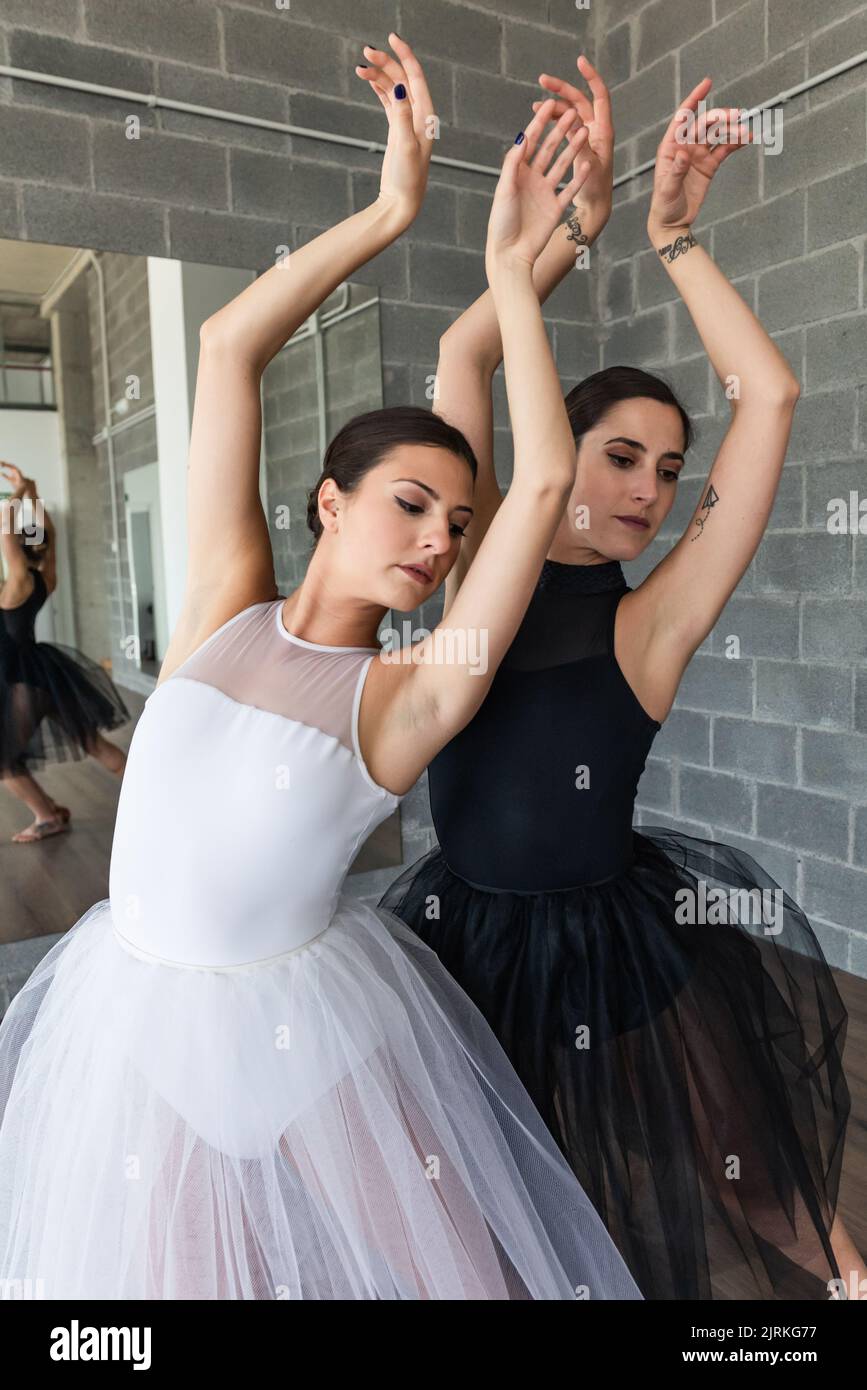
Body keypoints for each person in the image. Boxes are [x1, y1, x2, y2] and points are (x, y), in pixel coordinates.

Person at [0, 36, 642, 1300]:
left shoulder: (413, 690)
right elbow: (231, 346)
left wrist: (526, 267)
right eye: (411, 503)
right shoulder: (225, 606)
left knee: (460, 1280)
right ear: (329, 502)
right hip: (129, 1018)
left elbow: (551, 477)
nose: (436, 541)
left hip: (309, 1035)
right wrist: (395, 206)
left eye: (456, 525)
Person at [379, 67, 865, 1300]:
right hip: (461, 925)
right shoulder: (467, 557)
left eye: (668, 466)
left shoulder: (652, 622)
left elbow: (775, 397)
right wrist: (562, 232)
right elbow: (466, 349)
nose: (651, 489)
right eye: (623, 456)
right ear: (564, 452)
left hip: (607, 927)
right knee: (478, 1176)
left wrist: (674, 238)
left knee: (738, 1163)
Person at [0, 462, 128, 842]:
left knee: (5, 762)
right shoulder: (44, 577)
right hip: (44, 674)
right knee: (91, 741)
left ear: (18, 555)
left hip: (19, 678)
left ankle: (47, 817)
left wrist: (19, 495)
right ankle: (157, 789)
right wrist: (32, 492)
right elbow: (46, 535)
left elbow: (5, 532)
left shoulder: (19, 581)